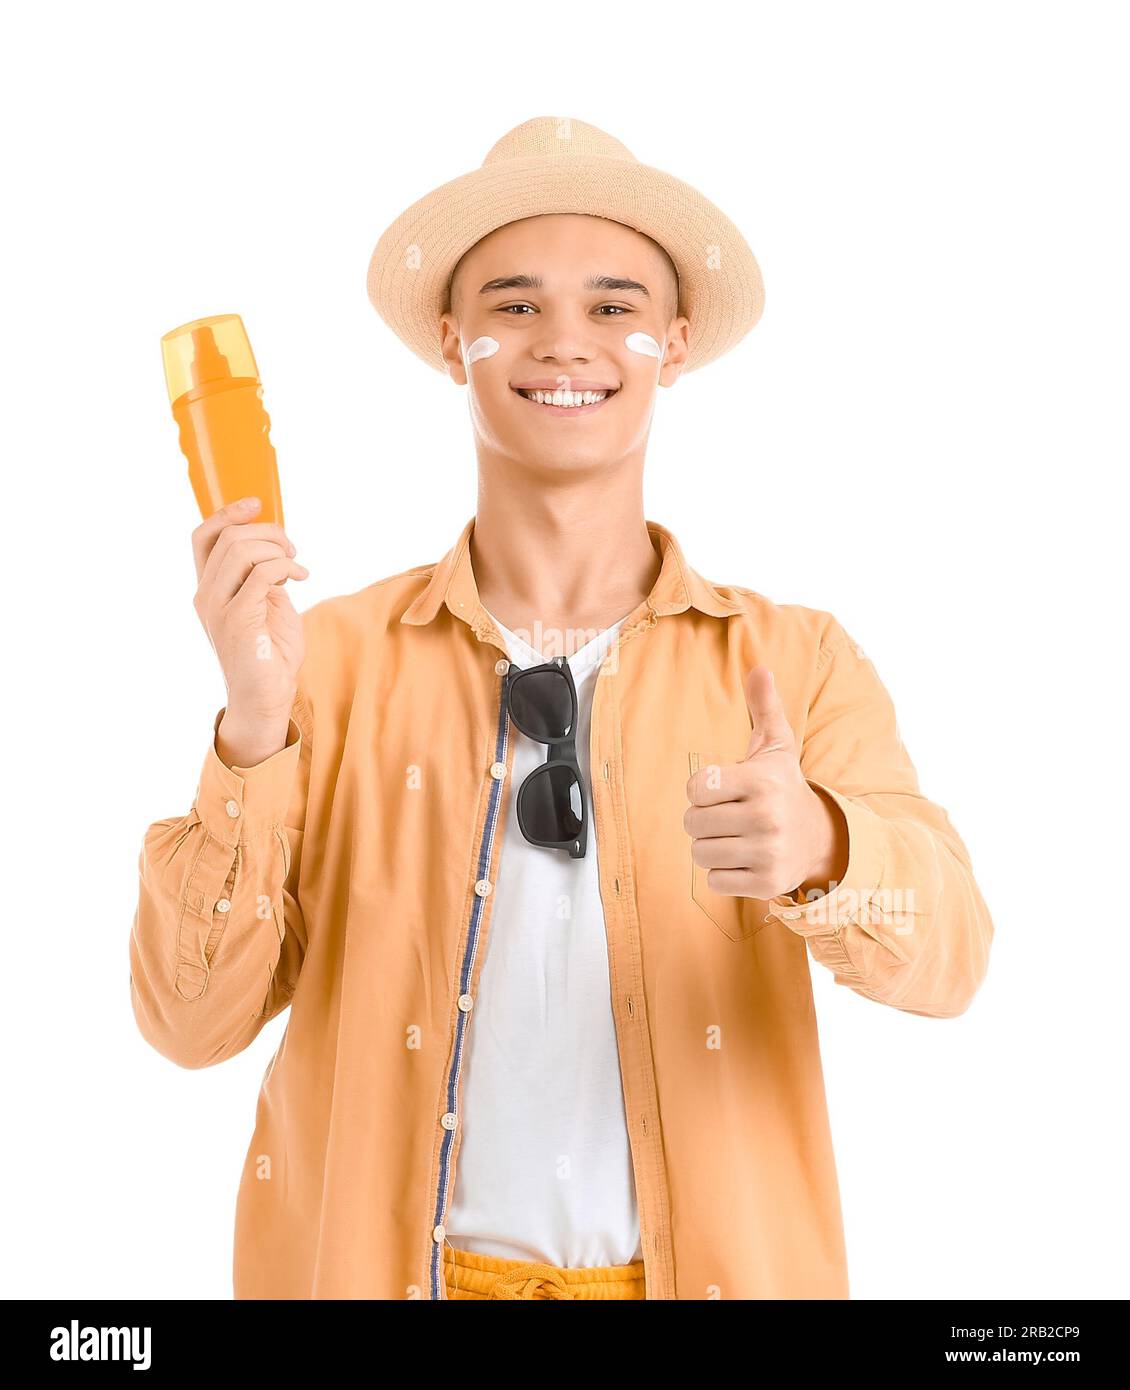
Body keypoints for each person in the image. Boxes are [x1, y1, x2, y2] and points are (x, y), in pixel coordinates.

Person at [129, 116, 994, 1301]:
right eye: (516, 304)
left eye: (610, 303)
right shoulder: (324, 664)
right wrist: (252, 729)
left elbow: (949, 956)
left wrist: (824, 849)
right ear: (453, 340)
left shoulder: (791, 662)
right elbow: (187, 1025)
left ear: (672, 344)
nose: (564, 343)